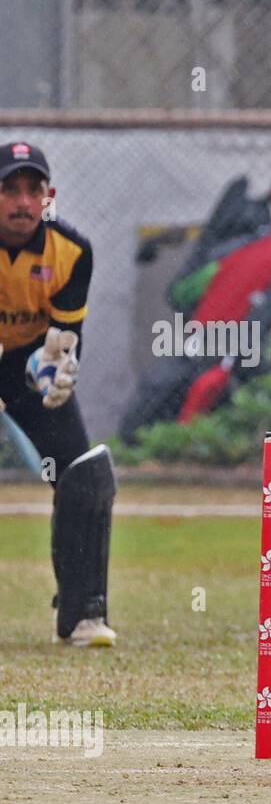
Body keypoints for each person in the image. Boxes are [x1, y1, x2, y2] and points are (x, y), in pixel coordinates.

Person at [0, 141, 116, 648]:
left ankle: (82, 614)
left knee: (85, 473)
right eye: (9, 189)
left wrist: (58, 368)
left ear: (49, 195)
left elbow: (67, 338)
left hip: (27, 368)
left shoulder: (72, 251)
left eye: (33, 189)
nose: (22, 202)